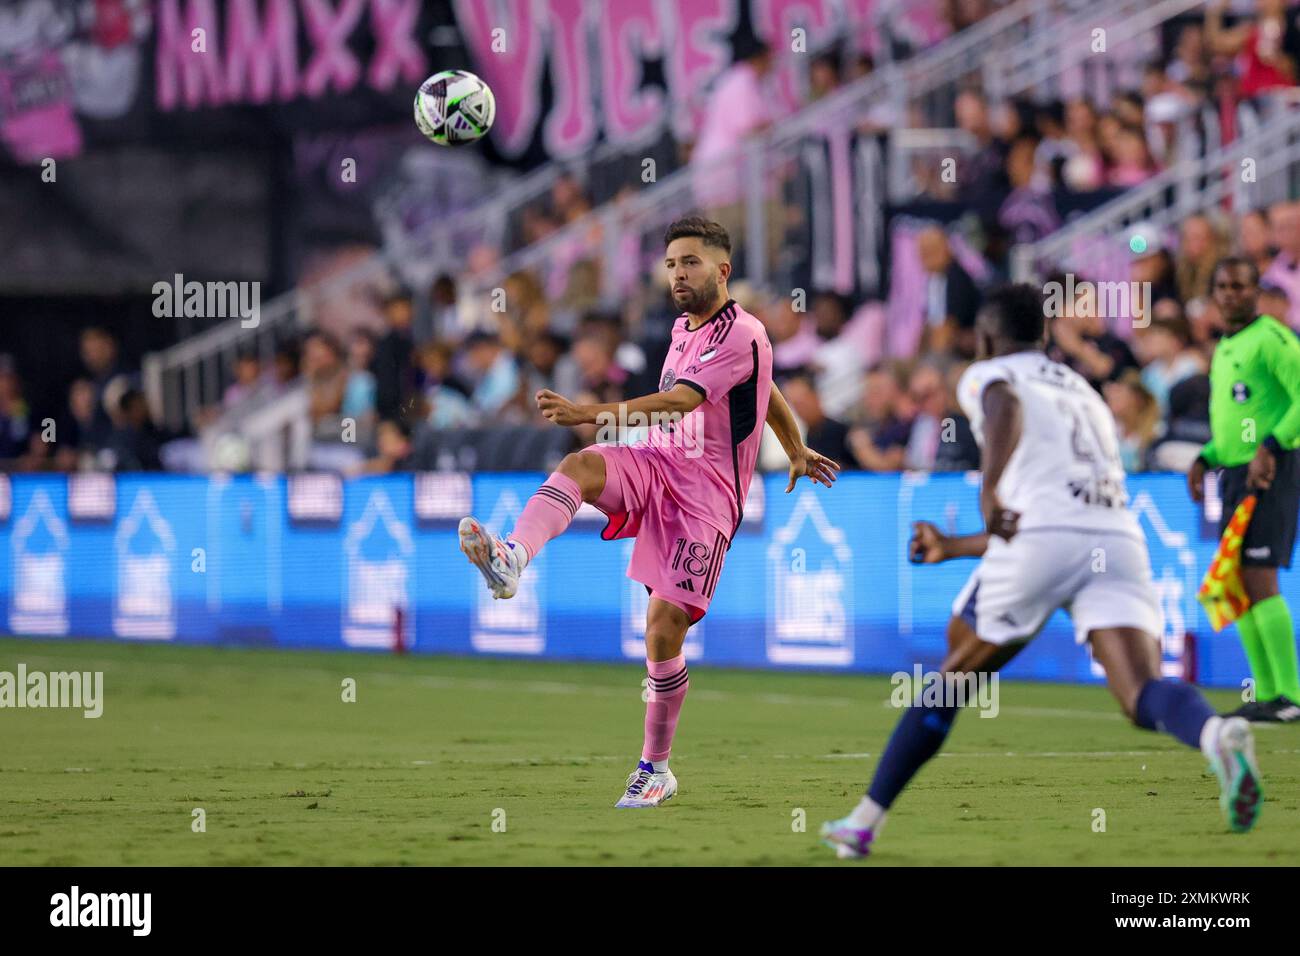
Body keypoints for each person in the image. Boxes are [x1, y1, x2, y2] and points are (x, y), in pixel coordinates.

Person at [821, 284, 1262, 860]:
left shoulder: (988, 374)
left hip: (1044, 542)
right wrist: (958, 545)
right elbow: (1055, 507)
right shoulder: (1083, 388)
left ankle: (862, 823)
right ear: (1047, 335)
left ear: (985, 337)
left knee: (952, 679)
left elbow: (1005, 410)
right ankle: (1216, 734)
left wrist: (989, 488)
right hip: (1117, 540)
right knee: (1140, 694)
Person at [456, 217, 839, 808]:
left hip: (707, 499)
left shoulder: (743, 332)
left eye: (690, 262)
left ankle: (655, 768)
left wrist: (591, 410)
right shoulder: (684, 329)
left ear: (722, 269)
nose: (678, 275)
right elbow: (768, 389)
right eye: (670, 265)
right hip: (659, 464)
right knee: (582, 467)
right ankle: (512, 558)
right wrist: (794, 447)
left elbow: (681, 400)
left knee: (662, 631)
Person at [1188, 257, 1300, 722]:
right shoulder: (1225, 347)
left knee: (1260, 577)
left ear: (1257, 291)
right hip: (1235, 473)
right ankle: (1268, 695)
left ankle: (1290, 697)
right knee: (1242, 583)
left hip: (1271, 469)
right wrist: (1205, 457)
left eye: (1239, 286)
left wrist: (1271, 445)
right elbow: (1236, 426)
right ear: (1214, 293)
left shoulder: (1272, 339)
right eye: (1222, 286)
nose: (1230, 294)